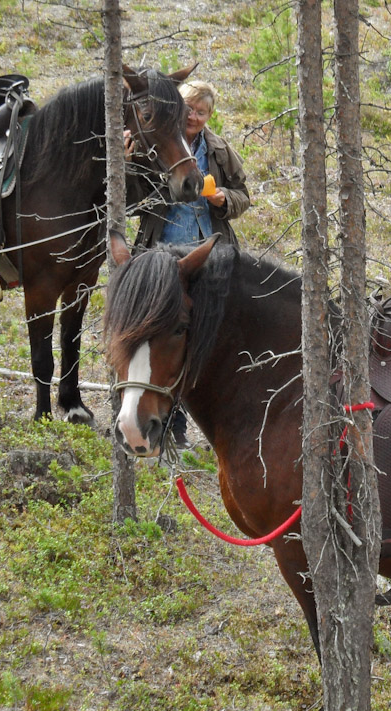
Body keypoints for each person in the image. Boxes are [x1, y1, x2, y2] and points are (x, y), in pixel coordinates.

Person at [129, 79, 251, 447]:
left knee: (201, 337)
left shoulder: (218, 149)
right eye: (188, 109)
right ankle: (170, 422)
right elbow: (130, 197)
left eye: (201, 111)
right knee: (163, 338)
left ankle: (204, 418)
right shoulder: (155, 145)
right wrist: (125, 159)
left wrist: (223, 200)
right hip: (162, 253)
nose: (194, 117)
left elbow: (243, 195)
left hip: (206, 256)